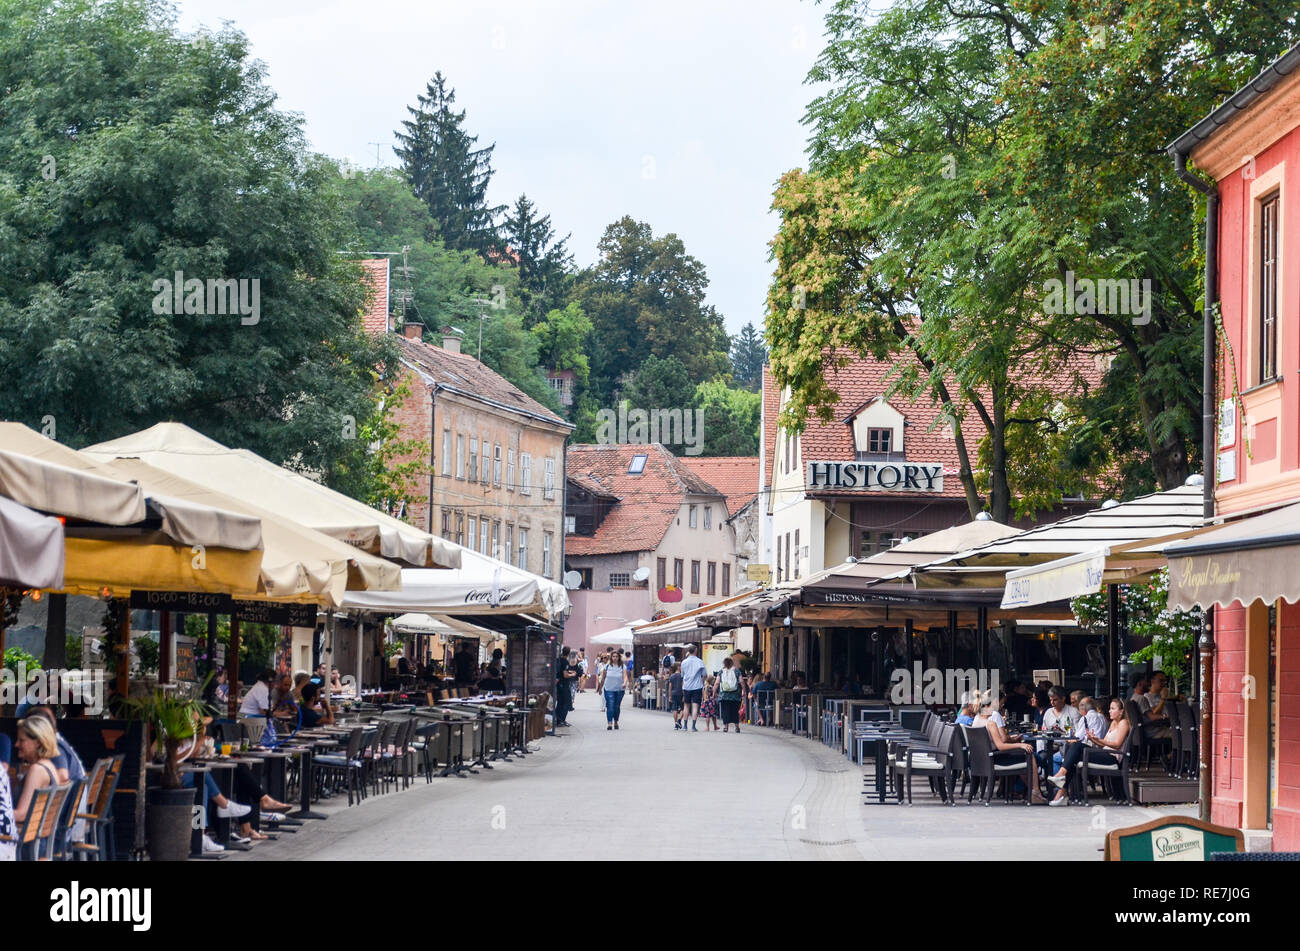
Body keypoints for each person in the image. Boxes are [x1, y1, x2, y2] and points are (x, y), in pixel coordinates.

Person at [1046, 697, 1130, 805]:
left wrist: (1098, 740)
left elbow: (1117, 745)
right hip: (1105, 754)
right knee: (1074, 754)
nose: (1109, 711)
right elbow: (1105, 742)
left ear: (1121, 711)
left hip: (1112, 758)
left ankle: (1061, 784)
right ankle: (1061, 791)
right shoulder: (1113, 723)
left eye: (1113, 708)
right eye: (1109, 708)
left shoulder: (1124, 723)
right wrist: (1093, 739)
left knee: (1076, 747)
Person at [972, 700, 1047, 804]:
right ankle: (1036, 793)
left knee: (1023, 755)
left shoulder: (976, 720)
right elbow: (1001, 746)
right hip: (996, 759)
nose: (994, 710)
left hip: (984, 759)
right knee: (1030, 755)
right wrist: (1021, 744)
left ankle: (1031, 792)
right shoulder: (991, 724)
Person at [11, 717, 60, 825]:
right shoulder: (48, 765)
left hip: (26, 840)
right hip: (39, 839)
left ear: (38, 742)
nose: (16, 744)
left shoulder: (37, 770)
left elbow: (21, 815)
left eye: (21, 740)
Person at [597, 649, 628, 730]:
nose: (615, 658)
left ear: (619, 657)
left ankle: (616, 721)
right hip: (608, 689)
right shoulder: (607, 666)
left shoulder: (622, 666)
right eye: (613, 656)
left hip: (619, 689)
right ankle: (609, 723)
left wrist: (624, 683)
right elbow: (603, 678)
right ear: (611, 657)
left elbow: (625, 676)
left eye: (616, 656)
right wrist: (600, 688)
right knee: (610, 705)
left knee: (617, 706)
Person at [679, 645, 706, 732]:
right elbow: (704, 674)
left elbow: (682, 675)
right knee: (695, 707)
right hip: (697, 686)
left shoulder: (684, 662)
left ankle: (685, 726)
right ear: (695, 651)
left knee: (686, 706)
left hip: (686, 686)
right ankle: (693, 726)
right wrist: (701, 681)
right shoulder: (700, 662)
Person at [717, 657, 744, 733]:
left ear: (724, 663)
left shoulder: (721, 671)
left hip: (724, 695)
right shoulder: (737, 671)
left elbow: (717, 683)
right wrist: (744, 690)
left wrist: (714, 691)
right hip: (735, 695)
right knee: (735, 711)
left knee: (725, 711)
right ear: (732, 663)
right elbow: (741, 681)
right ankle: (737, 727)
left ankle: (726, 727)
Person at [555, 647, 577, 727]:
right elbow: (565, 675)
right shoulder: (565, 662)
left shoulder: (558, 659)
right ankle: (562, 720)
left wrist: (569, 672)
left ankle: (557, 719)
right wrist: (572, 674)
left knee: (560, 702)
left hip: (558, 683)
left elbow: (561, 671)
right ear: (568, 653)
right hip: (564, 684)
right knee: (566, 703)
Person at [668, 664, 685, 729]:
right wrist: (684, 694)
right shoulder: (681, 676)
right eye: (680, 666)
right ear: (678, 667)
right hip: (680, 693)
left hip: (673, 693)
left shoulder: (672, 676)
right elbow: (683, 685)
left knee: (674, 708)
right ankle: (679, 720)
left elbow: (670, 687)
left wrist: (669, 696)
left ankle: (676, 724)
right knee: (683, 708)